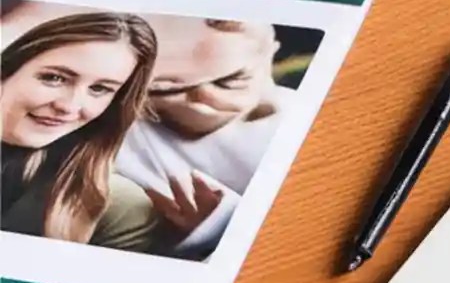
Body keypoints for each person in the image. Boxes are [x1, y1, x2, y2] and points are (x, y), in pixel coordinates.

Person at [114, 17, 295, 259]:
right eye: (166, 88)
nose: (204, 97)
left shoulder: (296, 115)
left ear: (268, 57)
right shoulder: (126, 143)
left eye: (232, 81)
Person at [0, 13, 159, 251]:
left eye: (99, 89)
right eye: (54, 78)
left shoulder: (116, 205)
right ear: (5, 72)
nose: (69, 106)